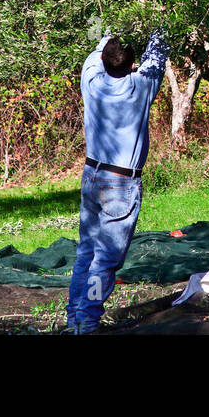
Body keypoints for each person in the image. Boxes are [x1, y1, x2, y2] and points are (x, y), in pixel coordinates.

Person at [65, 29, 169, 334]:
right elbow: (158, 55)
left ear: (105, 59)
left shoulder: (92, 80)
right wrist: (158, 24)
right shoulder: (141, 87)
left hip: (92, 175)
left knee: (87, 250)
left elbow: (96, 54)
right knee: (106, 258)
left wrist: (109, 33)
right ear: (131, 64)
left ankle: (75, 317)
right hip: (121, 183)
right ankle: (88, 318)